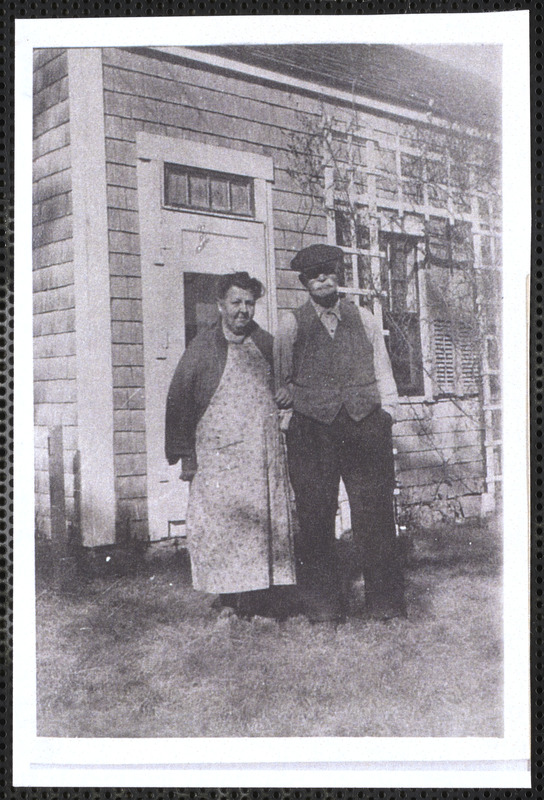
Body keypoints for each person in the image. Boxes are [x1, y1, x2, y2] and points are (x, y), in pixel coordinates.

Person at [274, 243, 406, 624]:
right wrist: (293, 417)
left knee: (375, 515)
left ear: (339, 275)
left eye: (330, 271)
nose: (323, 279)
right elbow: (282, 382)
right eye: (315, 274)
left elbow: (383, 369)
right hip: (312, 432)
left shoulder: (362, 317)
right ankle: (324, 609)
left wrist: (388, 415)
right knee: (315, 517)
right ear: (304, 282)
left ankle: (386, 605)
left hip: (365, 427)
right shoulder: (291, 324)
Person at [165, 272, 296, 619]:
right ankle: (228, 603)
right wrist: (185, 457)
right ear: (221, 305)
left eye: (249, 303)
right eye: (236, 302)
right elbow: (179, 400)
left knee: (259, 526)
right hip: (218, 458)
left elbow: (288, 383)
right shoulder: (202, 347)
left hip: (259, 456)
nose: (243, 310)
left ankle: (260, 603)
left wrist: (287, 392)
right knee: (222, 527)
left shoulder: (266, 344)